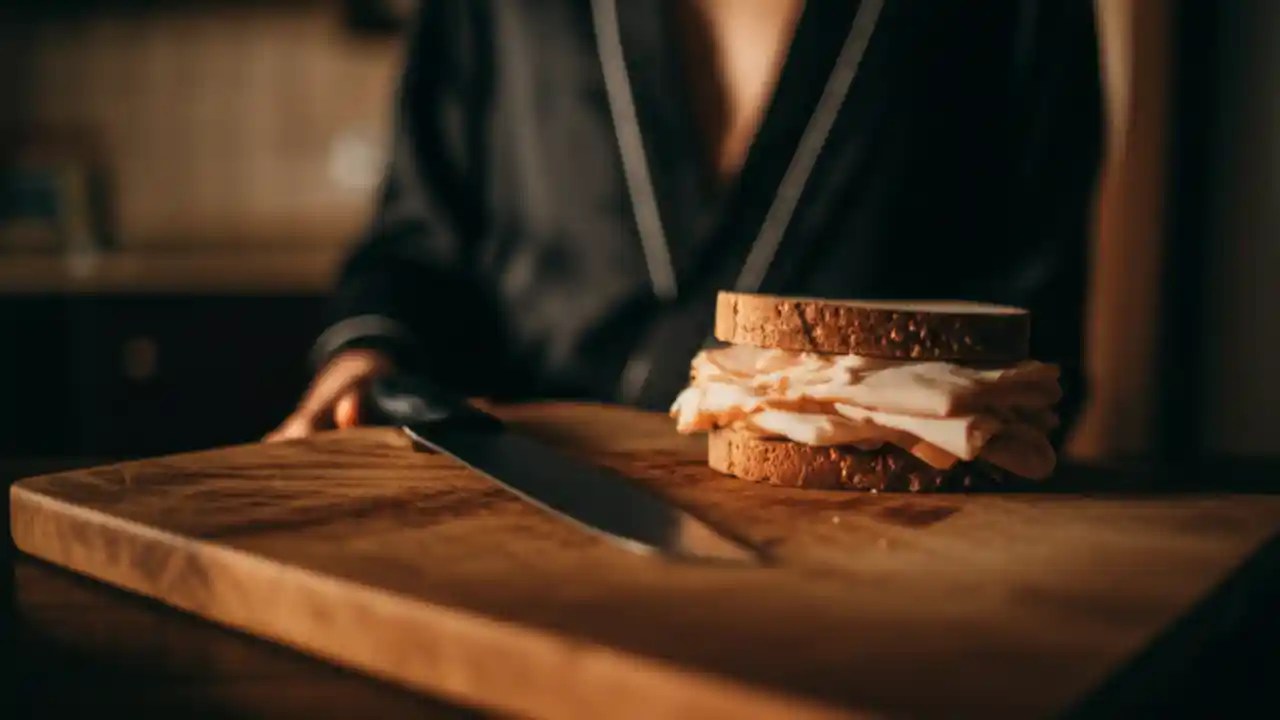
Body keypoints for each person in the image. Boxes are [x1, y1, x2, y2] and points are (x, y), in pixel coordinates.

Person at [267, 0, 1101, 442]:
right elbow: (419, 243)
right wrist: (370, 360)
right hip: (515, 519)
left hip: (884, 568)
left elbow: (1032, 315)